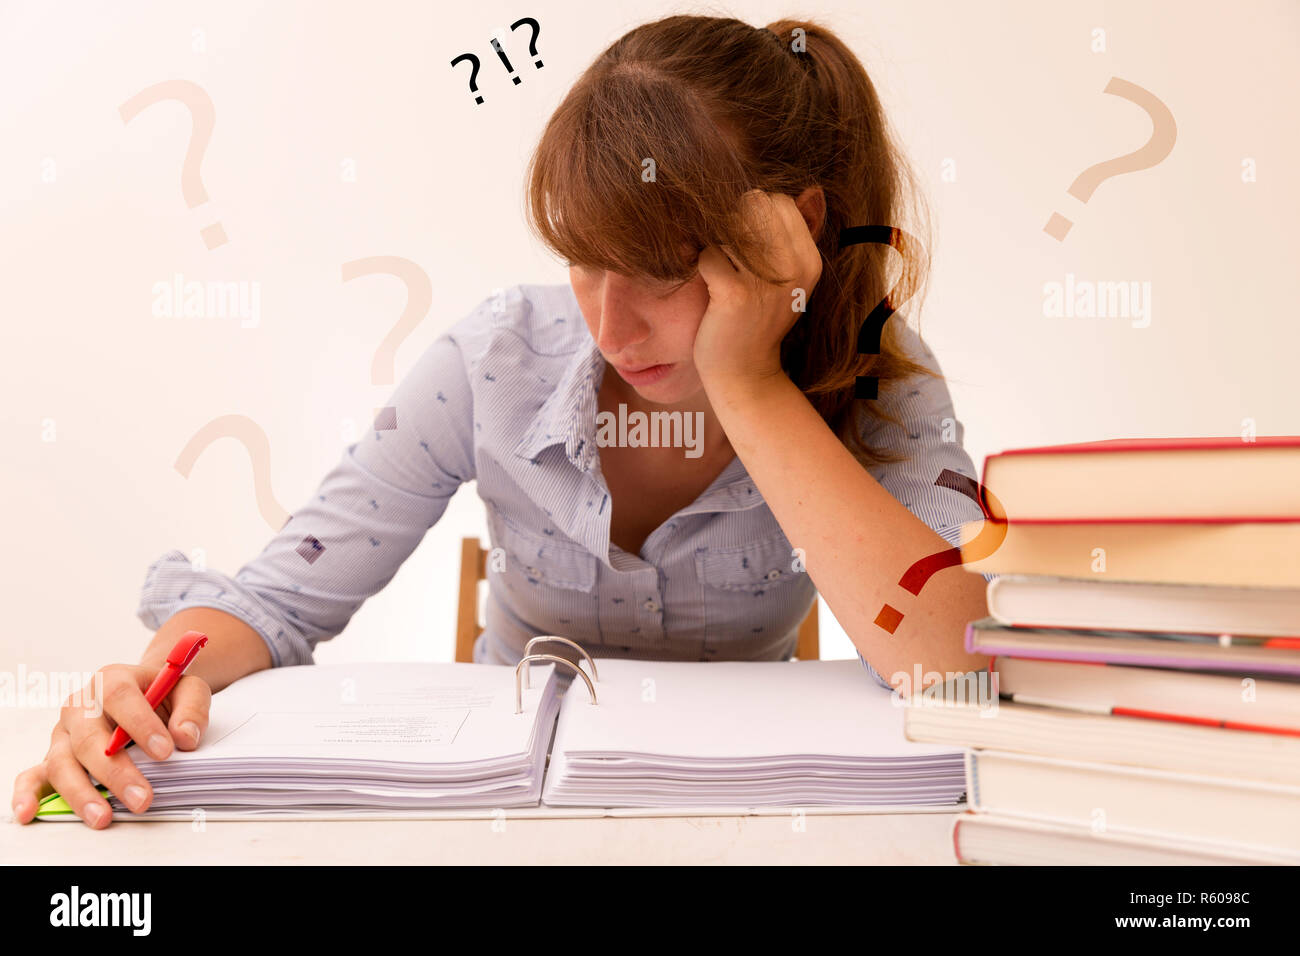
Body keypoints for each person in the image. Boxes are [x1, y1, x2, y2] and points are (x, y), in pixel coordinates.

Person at [12, 14, 992, 828]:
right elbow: (276, 603)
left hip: (739, 825)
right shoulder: (495, 360)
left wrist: (748, 379)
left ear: (798, 228)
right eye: (582, 257)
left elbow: (953, 669)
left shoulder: (877, 380)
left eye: (659, 268)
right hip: (504, 821)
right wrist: (148, 678)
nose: (609, 325)